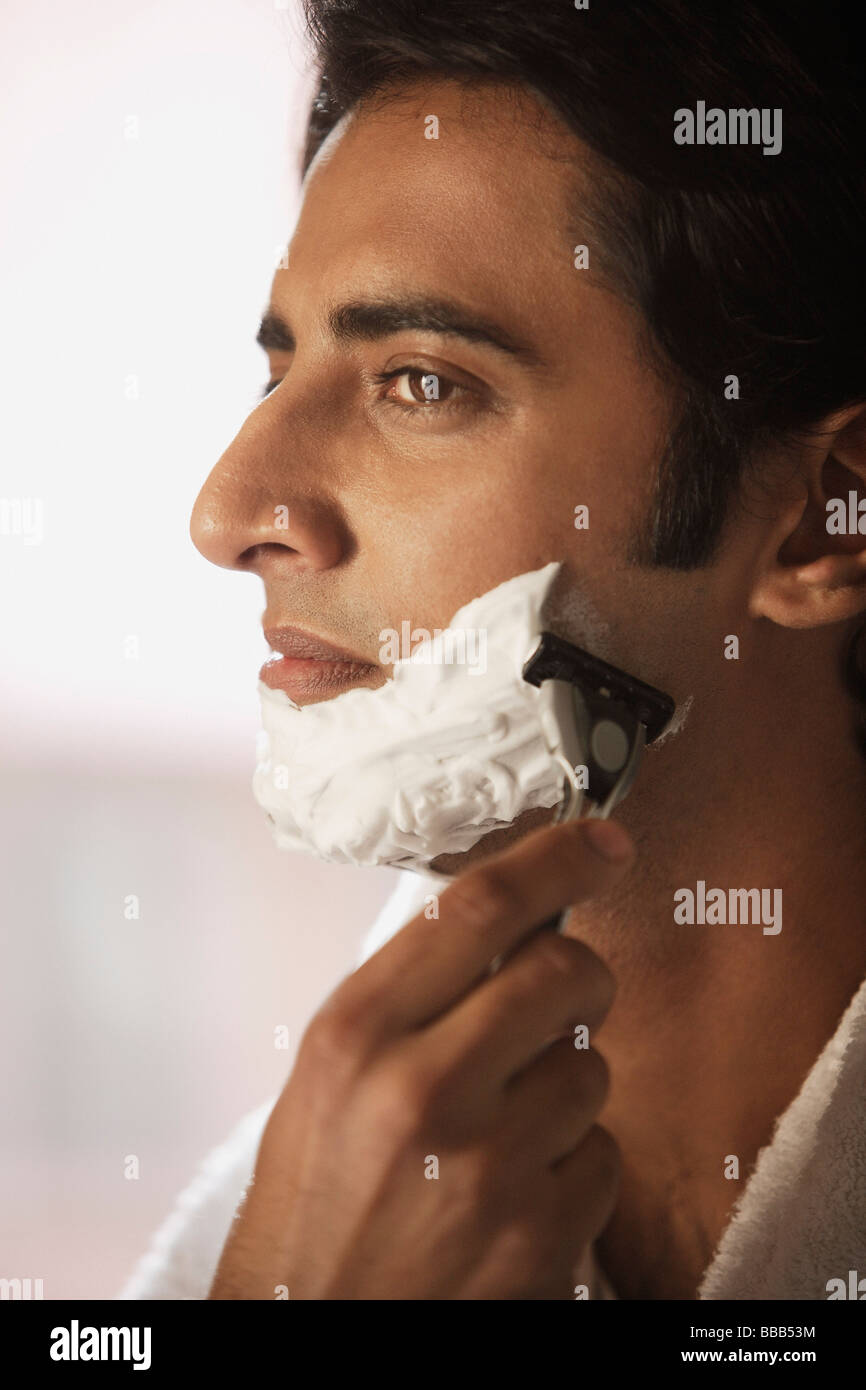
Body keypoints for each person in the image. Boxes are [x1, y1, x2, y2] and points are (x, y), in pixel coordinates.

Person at [118, 0, 866, 1299]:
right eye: (278, 368)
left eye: (420, 382)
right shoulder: (265, 1247)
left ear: (817, 525)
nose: (228, 514)